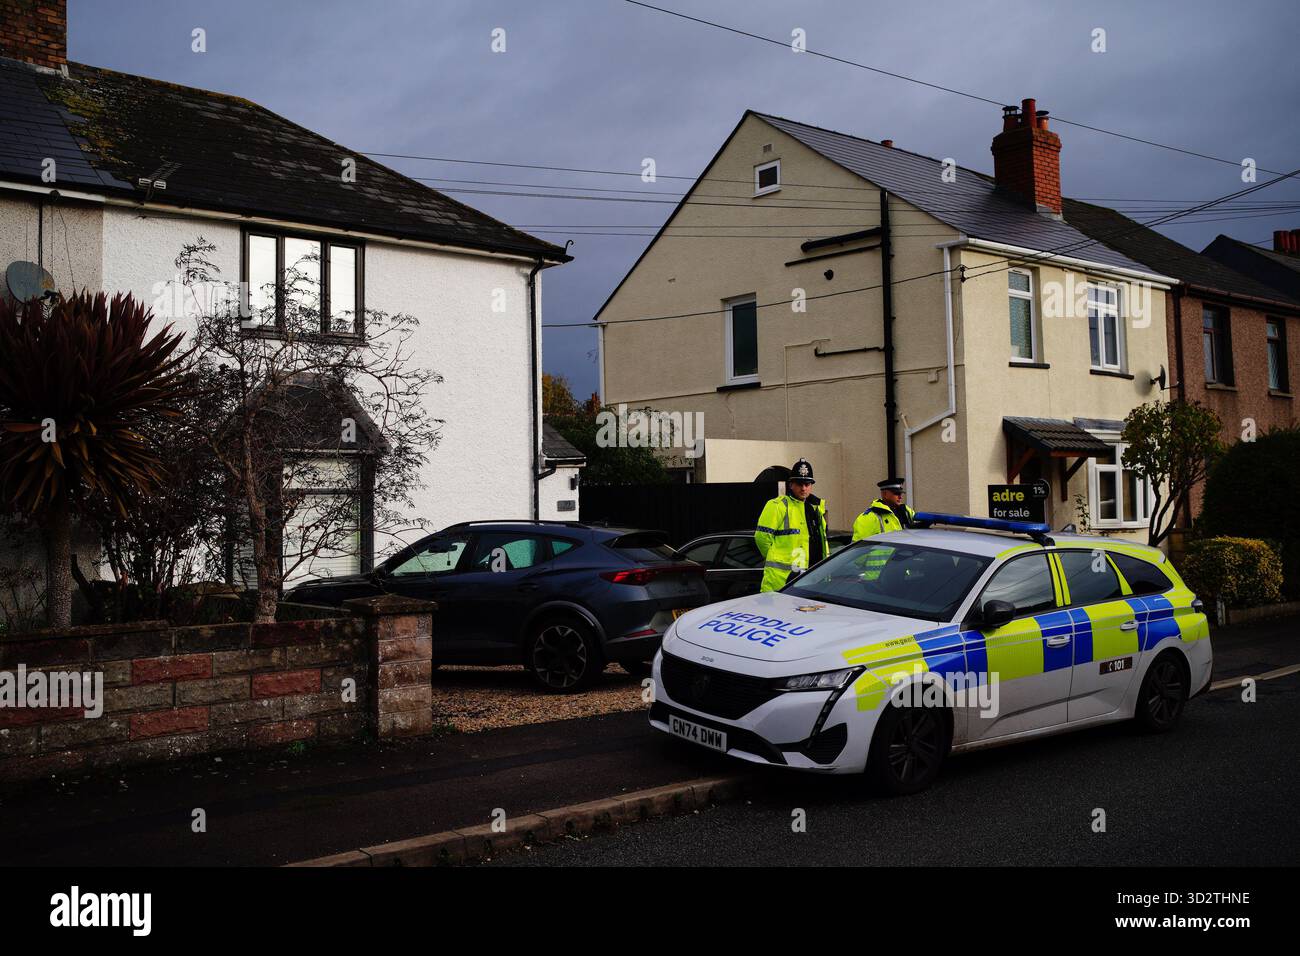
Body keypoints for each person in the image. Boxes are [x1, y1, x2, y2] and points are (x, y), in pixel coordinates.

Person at [754, 458, 829, 592]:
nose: (803, 488)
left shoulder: (816, 509)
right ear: (791, 485)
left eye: (807, 484)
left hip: (813, 578)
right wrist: (775, 557)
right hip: (782, 580)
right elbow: (761, 538)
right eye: (799, 484)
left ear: (811, 485)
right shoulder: (778, 505)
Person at [852, 478, 916, 540]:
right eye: (896, 493)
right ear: (885, 494)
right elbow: (860, 546)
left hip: (902, 550)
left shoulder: (906, 511)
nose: (900, 497)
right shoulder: (869, 517)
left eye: (900, 493)